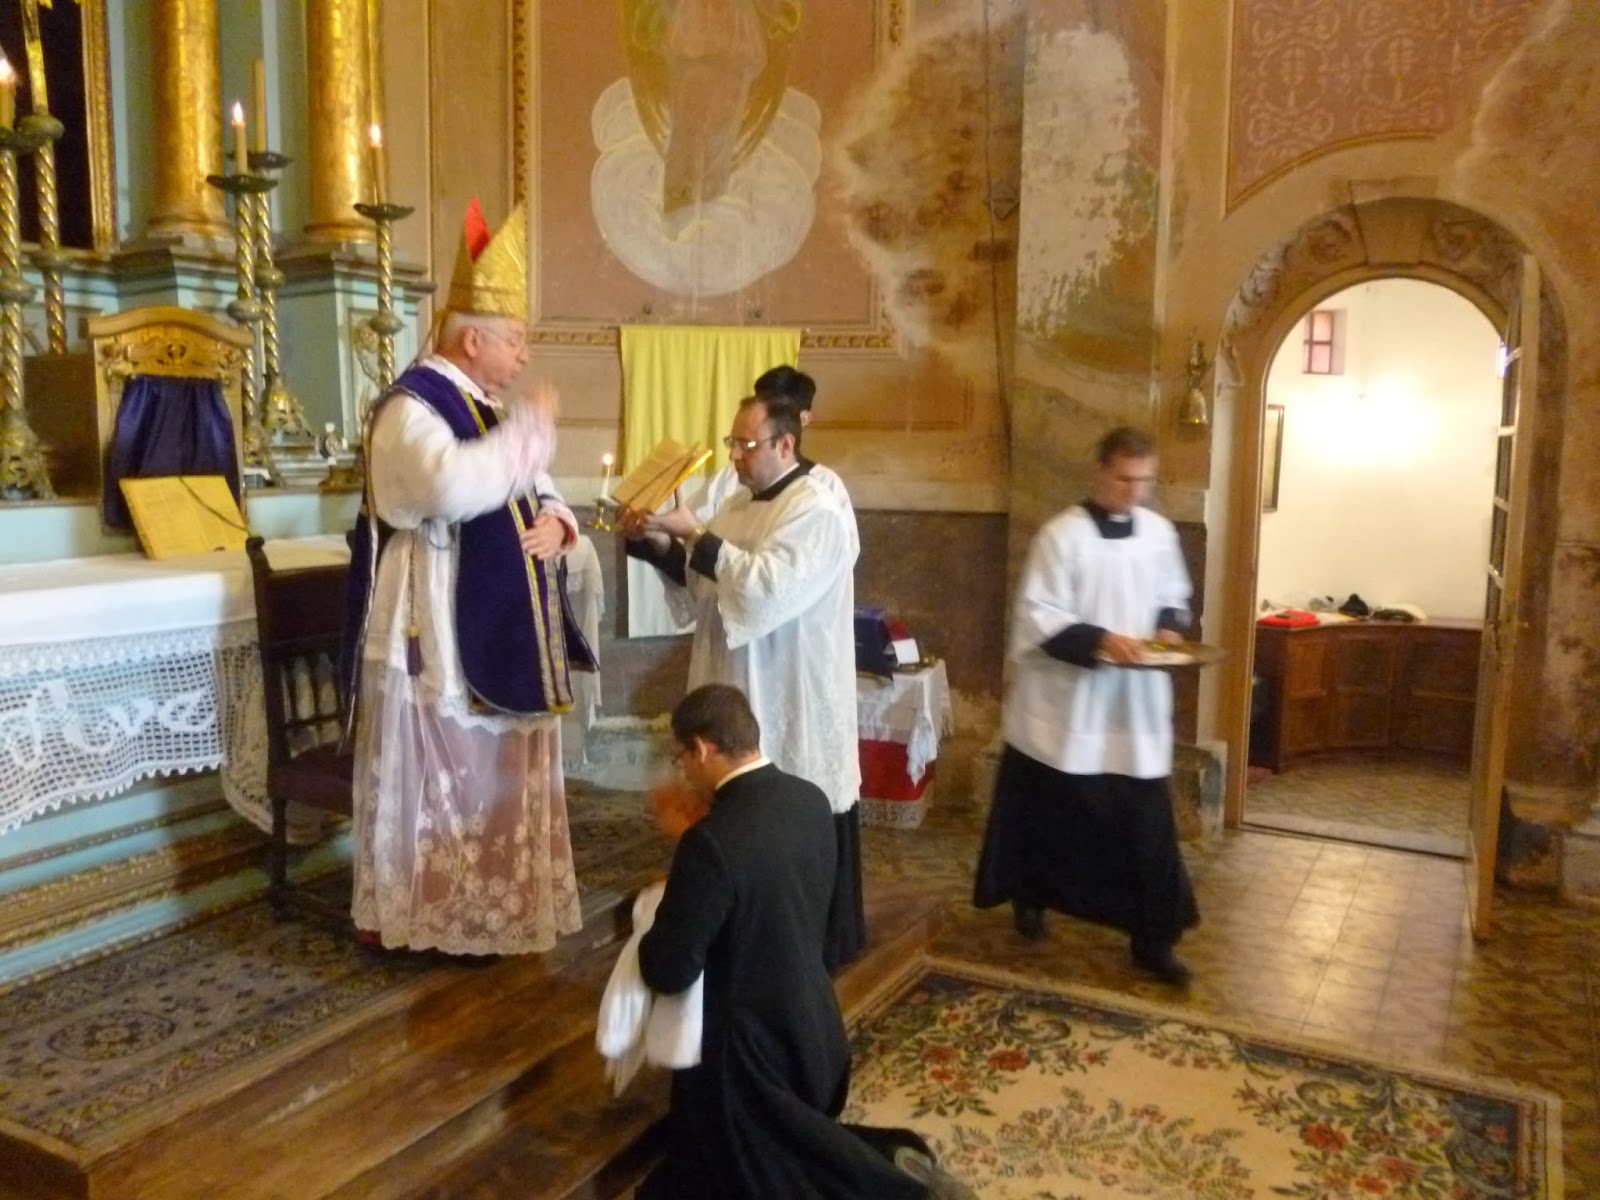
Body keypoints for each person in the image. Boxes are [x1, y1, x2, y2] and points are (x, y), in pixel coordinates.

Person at [342, 198, 596, 956]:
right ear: (473, 338)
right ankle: (430, 917)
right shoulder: (411, 408)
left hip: (494, 617)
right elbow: (450, 487)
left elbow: (538, 486)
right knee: (446, 766)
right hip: (435, 618)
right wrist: (529, 433)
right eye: (515, 341)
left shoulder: (485, 408)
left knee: (491, 768)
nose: (524, 357)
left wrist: (560, 522)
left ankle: (488, 913)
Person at [636, 684, 969, 1200]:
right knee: (792, 1146)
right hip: (815, 1031)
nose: (682, 771)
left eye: (681, 758)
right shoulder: (809, 799)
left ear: (701, 748)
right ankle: (896, 1168)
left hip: (747, 1060)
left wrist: (647, 926)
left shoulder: (711, 841)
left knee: (754, 1180)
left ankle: (900, 1184)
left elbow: (669, 969)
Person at [624, 371, 867, 970]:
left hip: (790, 679)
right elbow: (704, 586)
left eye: (746, 444)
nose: (734, 455)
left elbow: (765, 590)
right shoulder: (736, 502)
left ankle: (807, 942)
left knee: (791, 796)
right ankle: (736, 929)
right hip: (736, 670)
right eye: (732, 443)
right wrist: (656, 542)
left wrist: (696, 535)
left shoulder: (816, 507)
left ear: (785, 443)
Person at [972, 426, 1200, 985]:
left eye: (1145, 480)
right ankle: (1031, 895)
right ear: (1100, 471)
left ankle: (1154, 938)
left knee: (1146, 827)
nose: (1135, 491)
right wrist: (1100, 639)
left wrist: (1169, 629)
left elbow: (1173, 596)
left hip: (1133, 706)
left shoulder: (1159, 533)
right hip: (1067, 704)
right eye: (1124, 478)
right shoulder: (1061, 535)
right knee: (1048, 814)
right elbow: (1038, 614)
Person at [682, 364, 849, 522]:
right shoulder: (729, 478)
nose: (734, 455)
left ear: (803, 419)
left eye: (777, 411)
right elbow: (689, 522)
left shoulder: (826, 485)